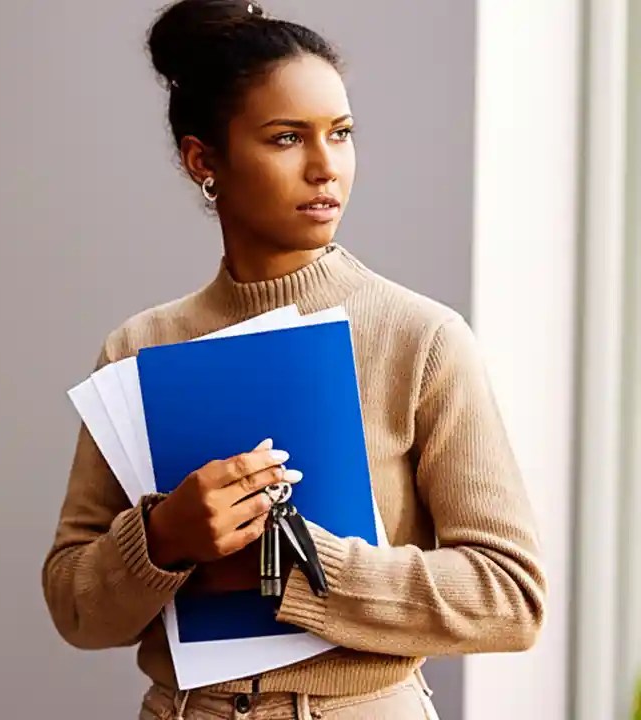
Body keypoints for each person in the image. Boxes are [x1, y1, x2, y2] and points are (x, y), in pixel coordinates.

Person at [39, 1, 546, 718]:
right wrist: (162, 539)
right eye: (286, 138)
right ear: (201, 160)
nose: (324, 167)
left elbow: (511, 597)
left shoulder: (421, 338)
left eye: (340, 135)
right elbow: (74, 608)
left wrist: (300, 567)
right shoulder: (139, 347)